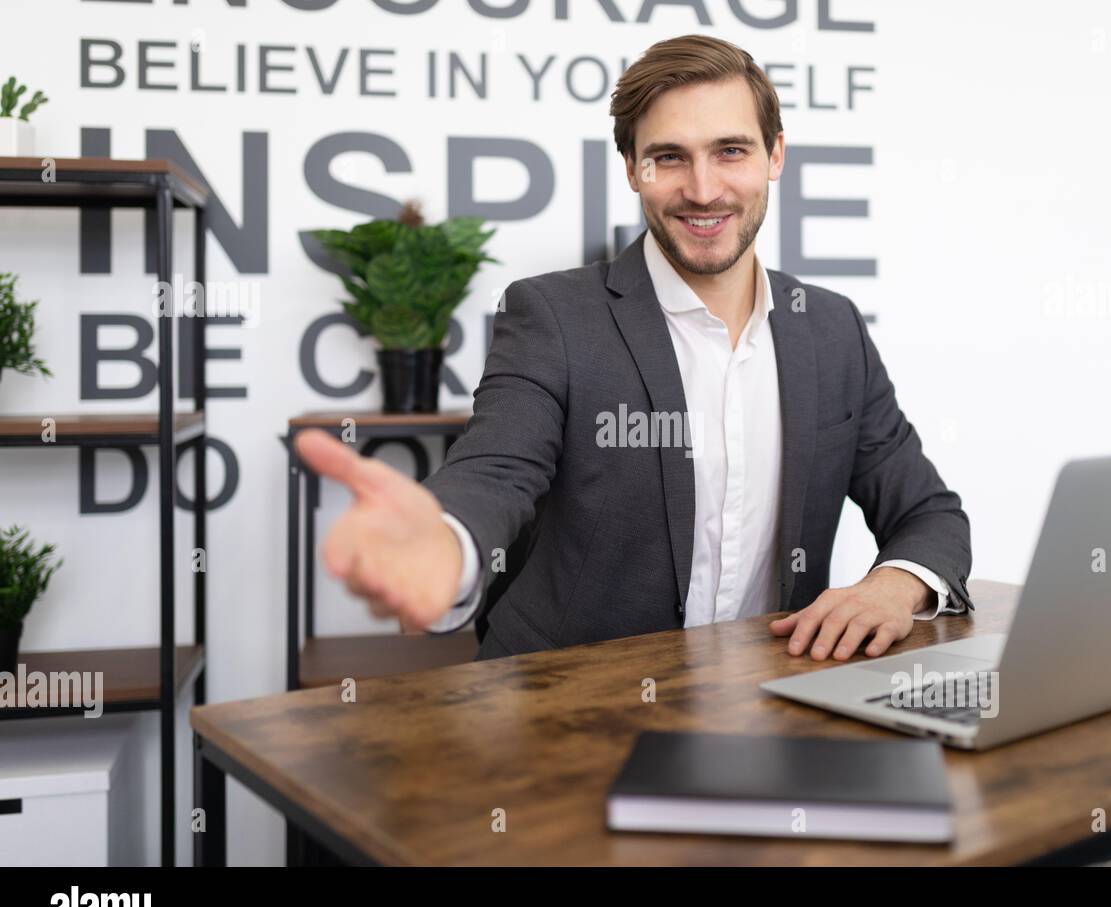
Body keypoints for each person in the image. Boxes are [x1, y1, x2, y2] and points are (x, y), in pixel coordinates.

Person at [294, 33, 974, 663]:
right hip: (570, 715)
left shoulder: (831, 329)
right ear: (631, 168)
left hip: (774, 705)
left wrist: (895, 584)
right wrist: (446, 545)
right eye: (669, 157)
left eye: (730, 151)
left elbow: (928, 513)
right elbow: (496, 470)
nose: (703, 190)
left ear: (775, 156)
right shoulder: (553, 317)